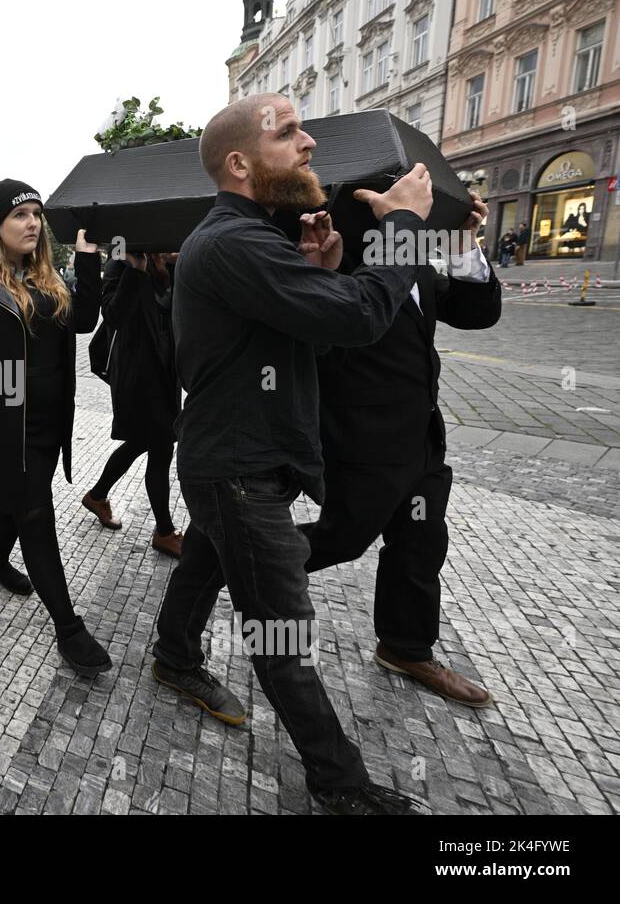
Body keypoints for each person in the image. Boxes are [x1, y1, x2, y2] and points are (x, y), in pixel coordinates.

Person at [153, 93, 433, 814]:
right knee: (281, 634)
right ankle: (338, 782)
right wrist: (401, 224)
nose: (308, 143)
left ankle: (175, 657)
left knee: (209, 559)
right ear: (242, 163)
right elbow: (363, 318)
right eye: (290, 133)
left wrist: (323, 267)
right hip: (238, 473)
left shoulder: (252, 239)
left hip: (237, 464)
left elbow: (308, 334)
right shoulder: (235, 243)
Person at [298, 190, 500, 708]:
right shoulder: (338, 273)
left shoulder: (418, 269)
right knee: (341, 540)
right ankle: (231, 557)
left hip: (422, 442)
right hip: (362, 445)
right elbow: (338, 335)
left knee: (420, 544)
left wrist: (461, 243)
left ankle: (405, 647)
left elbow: (478, 313)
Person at [0, 179, 111, 677]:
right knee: (36, 515)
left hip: (47, 422)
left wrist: (86, 257)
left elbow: (83, 322)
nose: (32, 223)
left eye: (36, 214)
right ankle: (67, 626)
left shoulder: (49, 280)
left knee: (19, 500)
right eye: (20, 215)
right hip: (6, 425)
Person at [81, 249, 183, 558]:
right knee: (160, 446)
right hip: (138, 375)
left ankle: (98, 495)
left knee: (145, 442)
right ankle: (164, 531)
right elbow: (113, 315)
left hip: (166, 372)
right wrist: (137, 269)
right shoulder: (121, 261)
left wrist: (175, 265)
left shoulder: (172, 261)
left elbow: (175, 311)